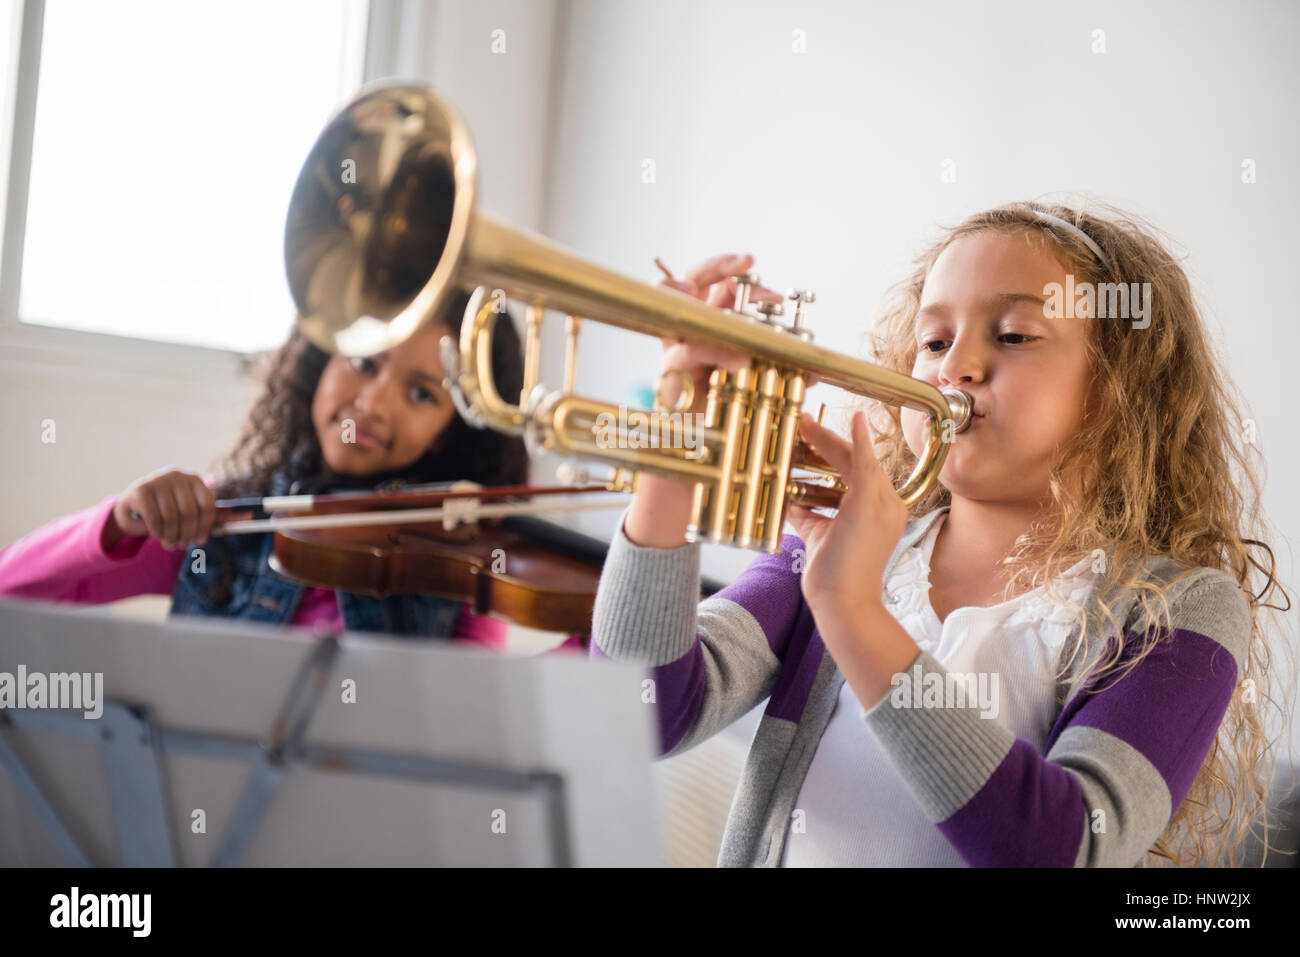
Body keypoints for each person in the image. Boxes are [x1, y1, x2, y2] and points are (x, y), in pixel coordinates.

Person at [590, 202, 1294, 866]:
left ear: (1120, 390)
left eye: (1014, 335)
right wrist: (677, 444)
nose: (954, 365)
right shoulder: (834, 544)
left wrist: (855, 611)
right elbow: (641, 714)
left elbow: (1058, 844)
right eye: (933, 339)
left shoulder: (1181, 608)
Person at [0, 291, 582, 653]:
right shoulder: (221, 520)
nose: (373, 405)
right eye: (362, 362)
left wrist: (607, 616)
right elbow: (13, 591)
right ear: (317, 358)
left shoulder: (452, 564)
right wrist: (120, 523)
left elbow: (486, 720)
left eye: (421, 394)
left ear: (452, 432)